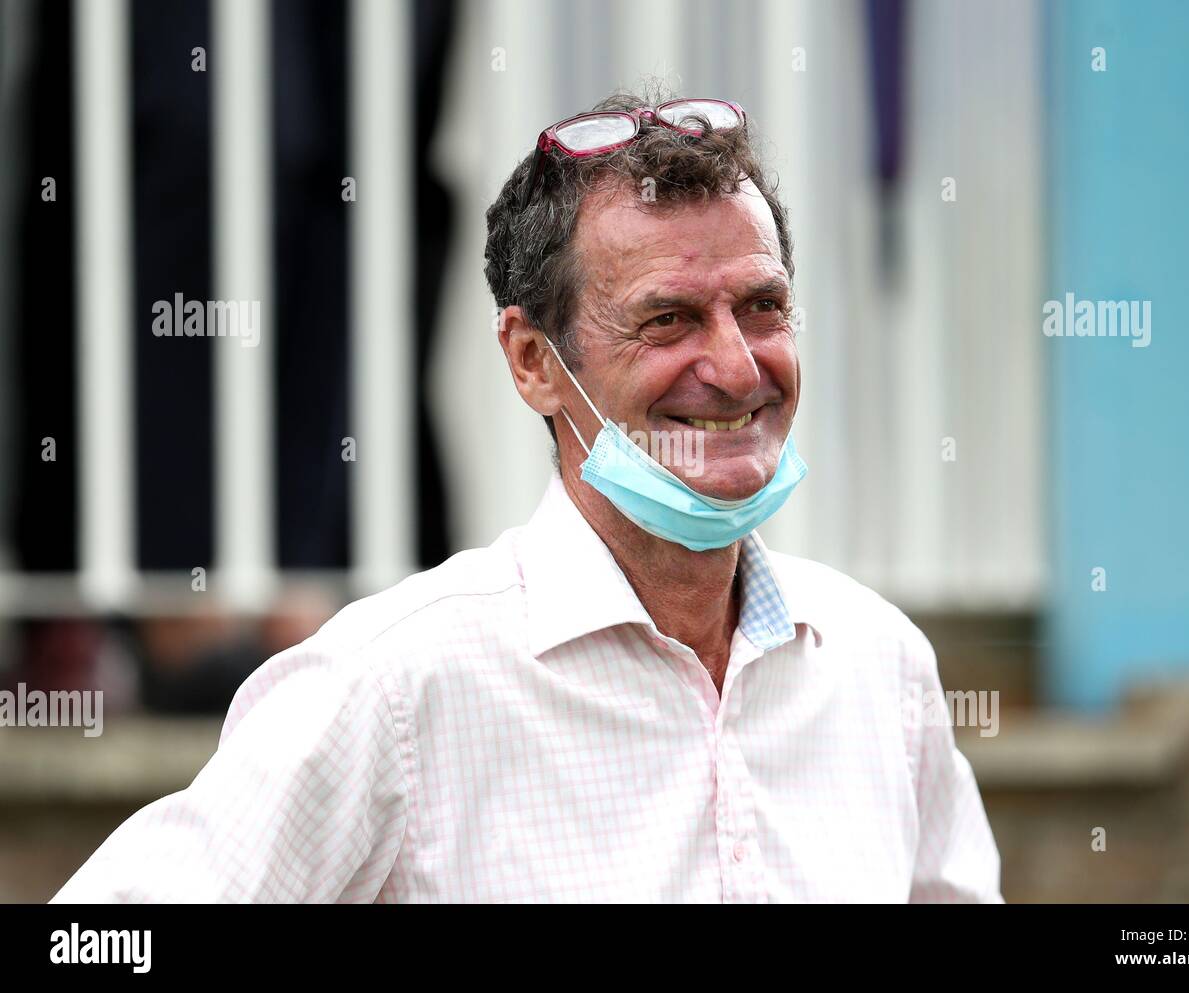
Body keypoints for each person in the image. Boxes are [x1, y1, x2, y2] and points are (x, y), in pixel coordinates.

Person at [52, 87, 1002, 903]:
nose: (734, 364)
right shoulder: (396, 683)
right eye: (666, 320)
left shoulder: (879, 666)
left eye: (762, 306)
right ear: (534, 361)